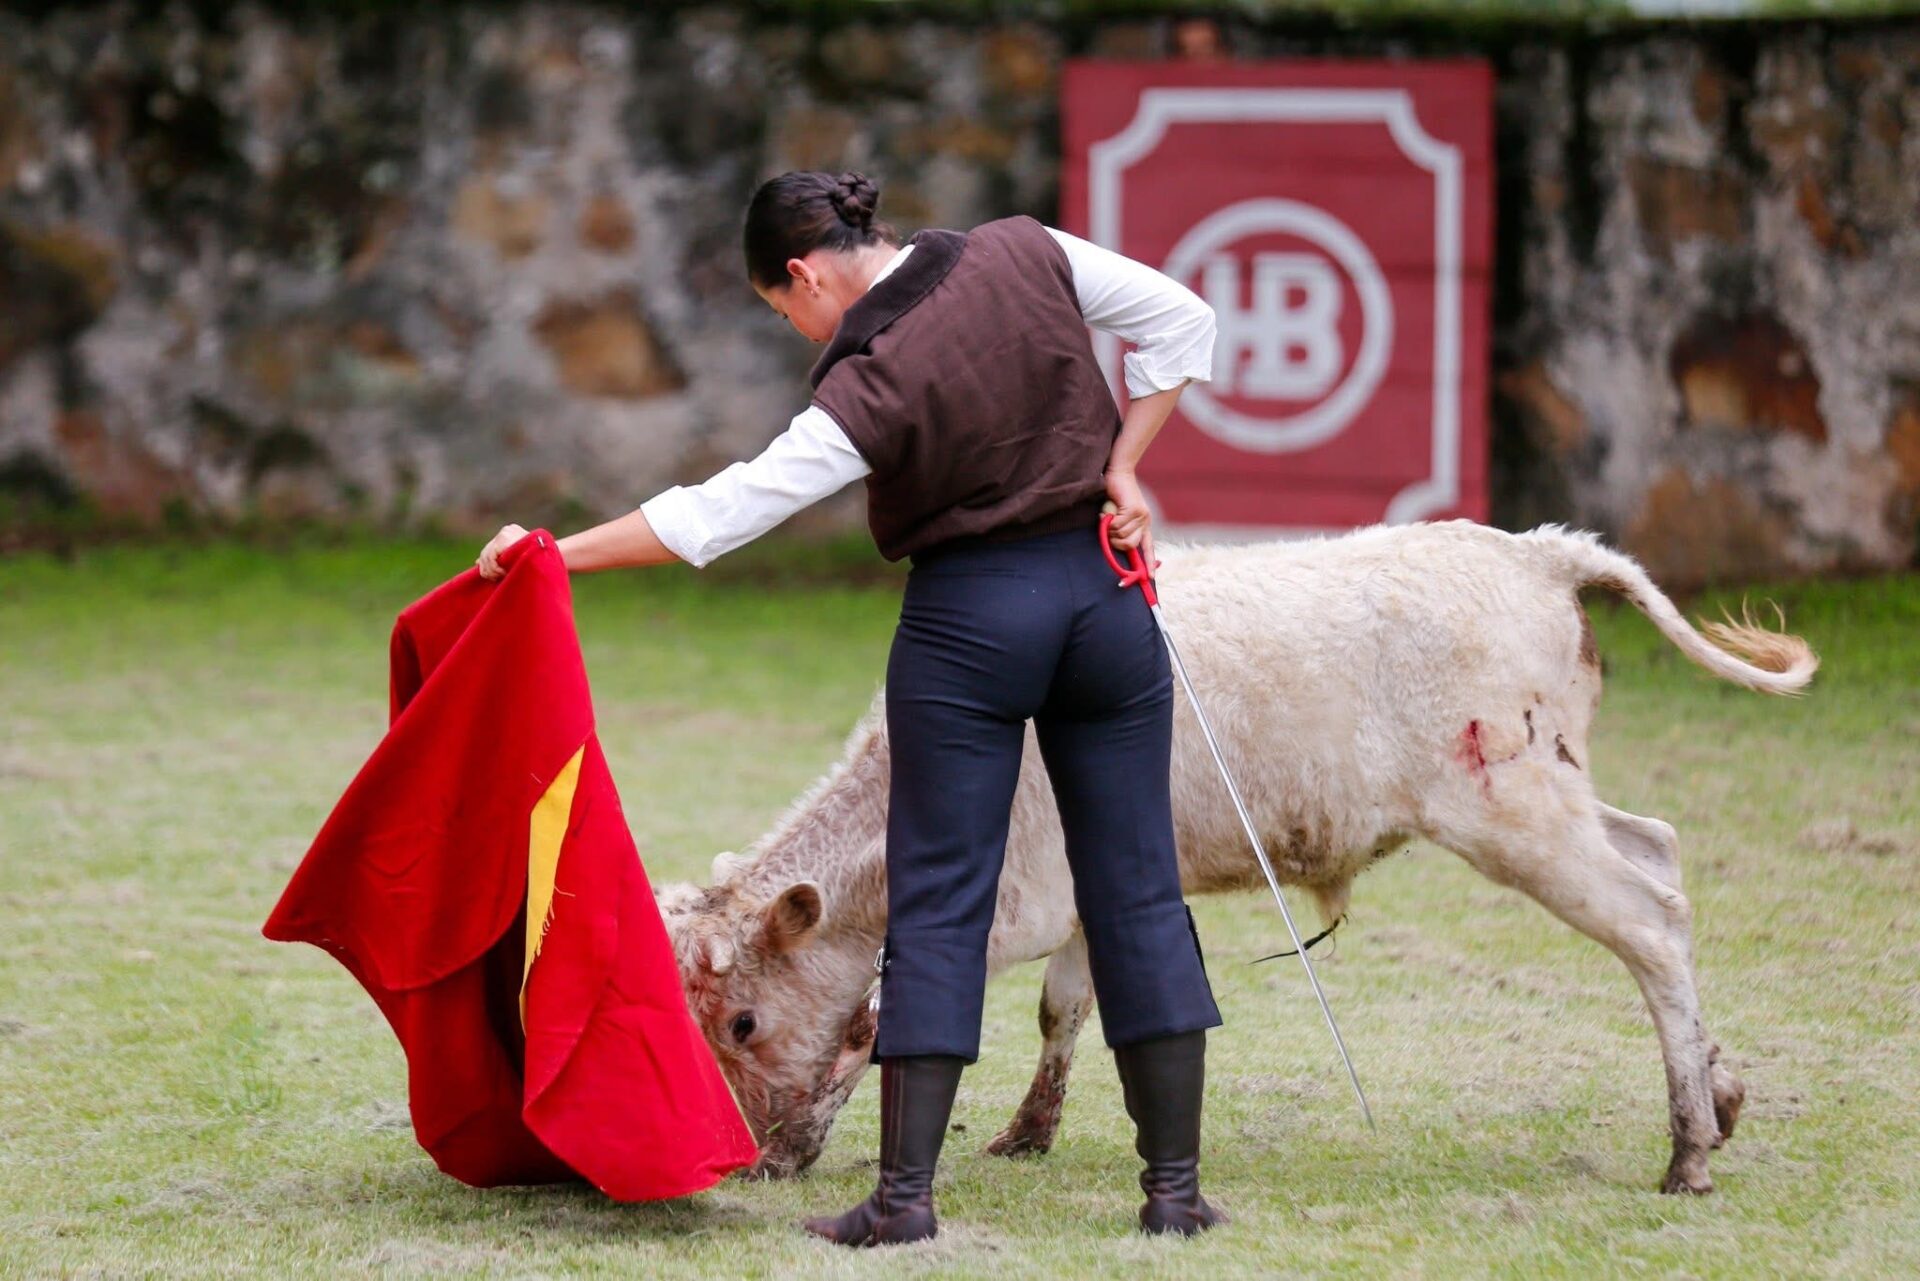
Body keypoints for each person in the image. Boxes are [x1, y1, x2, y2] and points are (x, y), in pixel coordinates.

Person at [476, 170, 1226, 1245]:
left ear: (804, 272)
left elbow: (726, 511)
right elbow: (1181, 319)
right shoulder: (1025, 248)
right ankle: (1174, 1194)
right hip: (1105, 600)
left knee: (938, 900)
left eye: (786, 313)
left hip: (973, 621)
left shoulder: (869, 380)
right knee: (1141, 892)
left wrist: (556, 552)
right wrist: (1124, 465)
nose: (798, 332)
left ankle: (904, 1201)